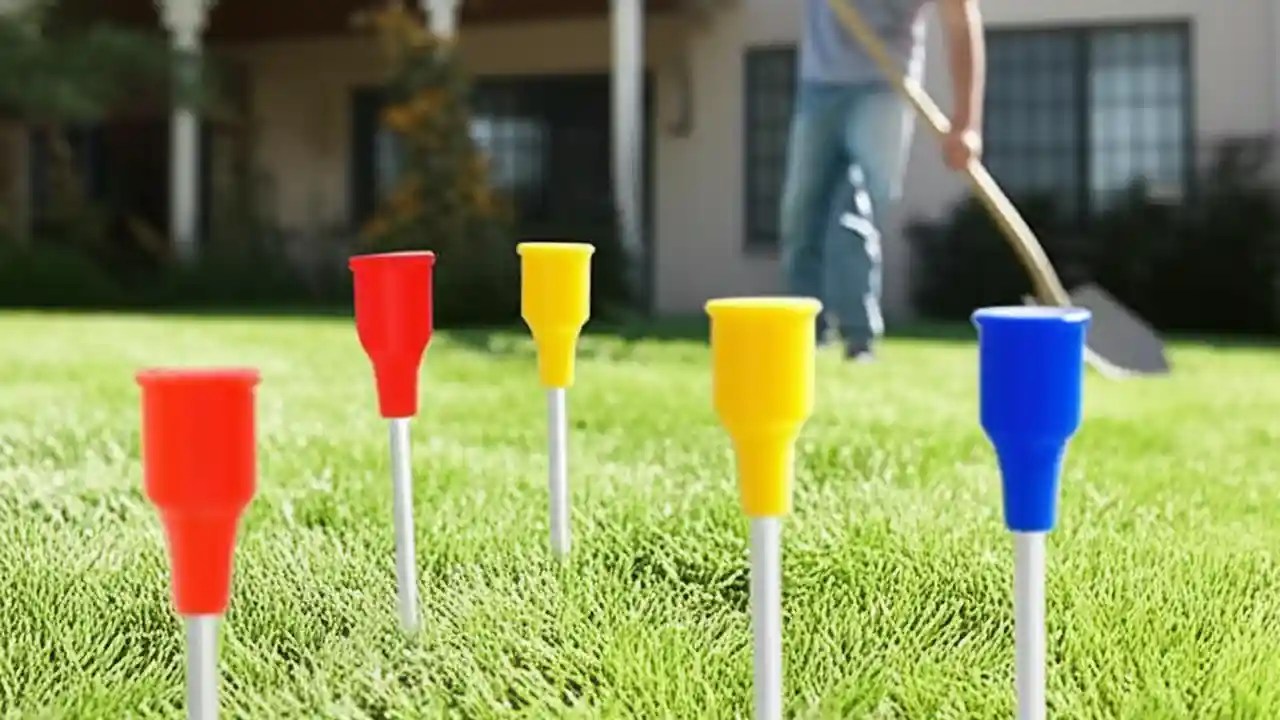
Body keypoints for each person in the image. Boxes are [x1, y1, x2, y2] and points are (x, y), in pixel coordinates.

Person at [780, 0, 985, 361]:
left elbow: (960, 22)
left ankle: (859, 340)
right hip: (818, 85)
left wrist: (966, 124)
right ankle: (804, 337)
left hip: (885, 86)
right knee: (799, 218)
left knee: (854, 214)